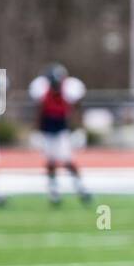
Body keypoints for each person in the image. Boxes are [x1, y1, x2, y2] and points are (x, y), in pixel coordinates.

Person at [28, 63, 91, 205]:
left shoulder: (69, 90)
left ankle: (81, 188)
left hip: (62, 130)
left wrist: (79, 129)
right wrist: (35, 131)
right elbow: (39, 111)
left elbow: (75, 110)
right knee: (50, 163)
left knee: (68, 161)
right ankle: (54, 193)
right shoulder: (42, 91)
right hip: (47, 130)